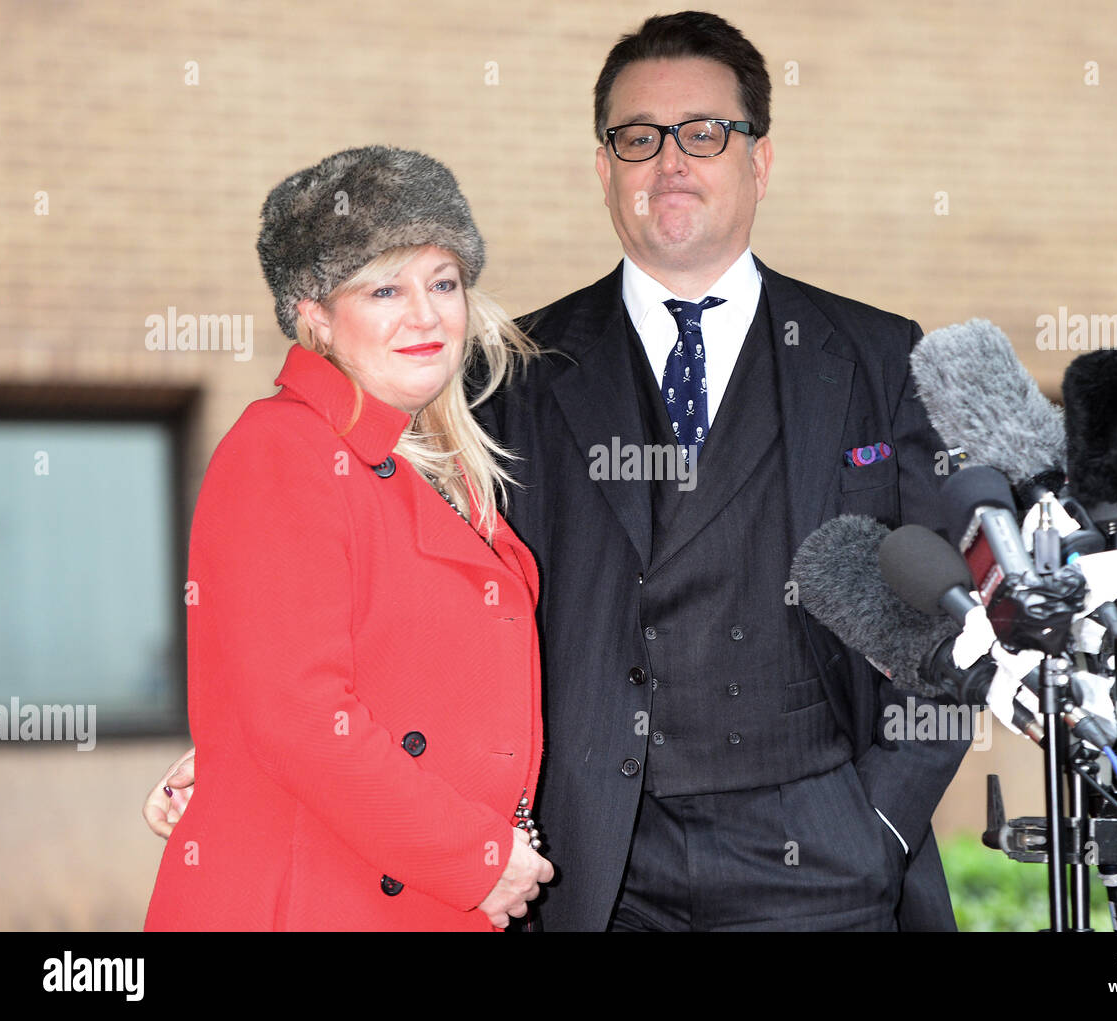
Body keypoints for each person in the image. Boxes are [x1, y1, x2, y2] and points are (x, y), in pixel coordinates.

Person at [145, 12, 968, 931]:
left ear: (760, 160)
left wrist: (881, 818)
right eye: (637, 138)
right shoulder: (505, 374)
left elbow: (956, 616)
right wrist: (236, 756)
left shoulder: (881, 356)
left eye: (704, 133)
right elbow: (363, 615)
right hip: (590, 863)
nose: (671, 162)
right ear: (603, 169)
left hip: (821, 850)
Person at [143, 145, 552, 931]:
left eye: (444, 282)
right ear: (316, 315)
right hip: (319, 900)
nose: (426, 314)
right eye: (385, 288)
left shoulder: (449, 467)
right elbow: (299, 710)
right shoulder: (283, 449)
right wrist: (477, 857)